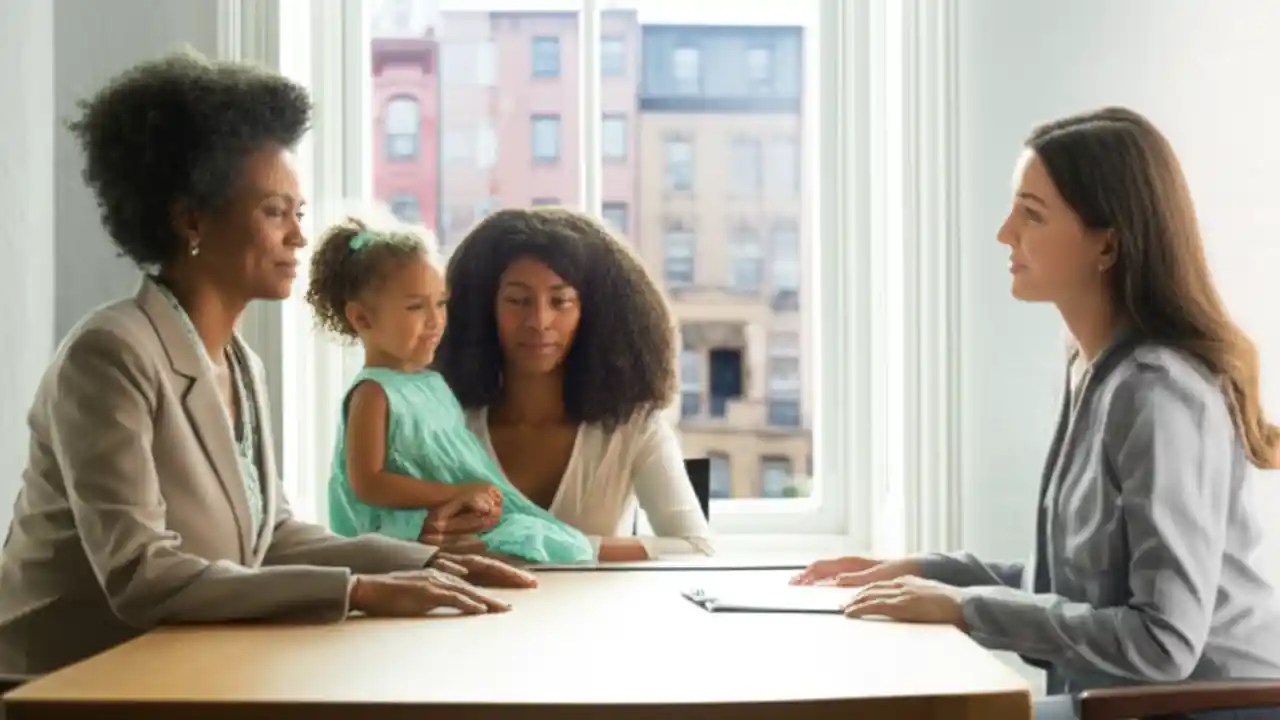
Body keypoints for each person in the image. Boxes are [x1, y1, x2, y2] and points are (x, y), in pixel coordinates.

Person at [0, 52, 534, 677]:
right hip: (58, 683)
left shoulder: (242, 364)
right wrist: (356, 591)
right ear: (192, 220)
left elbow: (271, 537)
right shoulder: (110, 354)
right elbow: (140, 575)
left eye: (298, 214)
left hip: (175, 666)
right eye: (275, 212)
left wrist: (419, 563)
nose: (298, 239)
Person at [793, 107, 1280, 718]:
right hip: (1129, 703)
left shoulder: (1156, 392)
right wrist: (926, 572)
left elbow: (1163, 641)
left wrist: (963, 607)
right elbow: (1080, 588)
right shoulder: (1093, 368)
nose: (1004, 232)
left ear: (1107, 242)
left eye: (1031, 213)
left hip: (1208, 709)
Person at [304, 218, 594, 564]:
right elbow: (368, 483)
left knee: (551, 538)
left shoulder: (433, 384)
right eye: (415, 307)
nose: (435, 320)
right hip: (397, 528)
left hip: (446, 513)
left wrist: (473, 499)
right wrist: (455, 493)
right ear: (362, 318)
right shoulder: (373, 393)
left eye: (440, 304)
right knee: (526, 542)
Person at [430, 208, 712, 561]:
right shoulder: (445, 423)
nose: (539, 321)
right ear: (483, 309)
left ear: (592, 313)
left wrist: (561, 546)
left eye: (560, 301)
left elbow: (696, 547)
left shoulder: (634, 427)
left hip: (593, 618)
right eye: (518, 301)